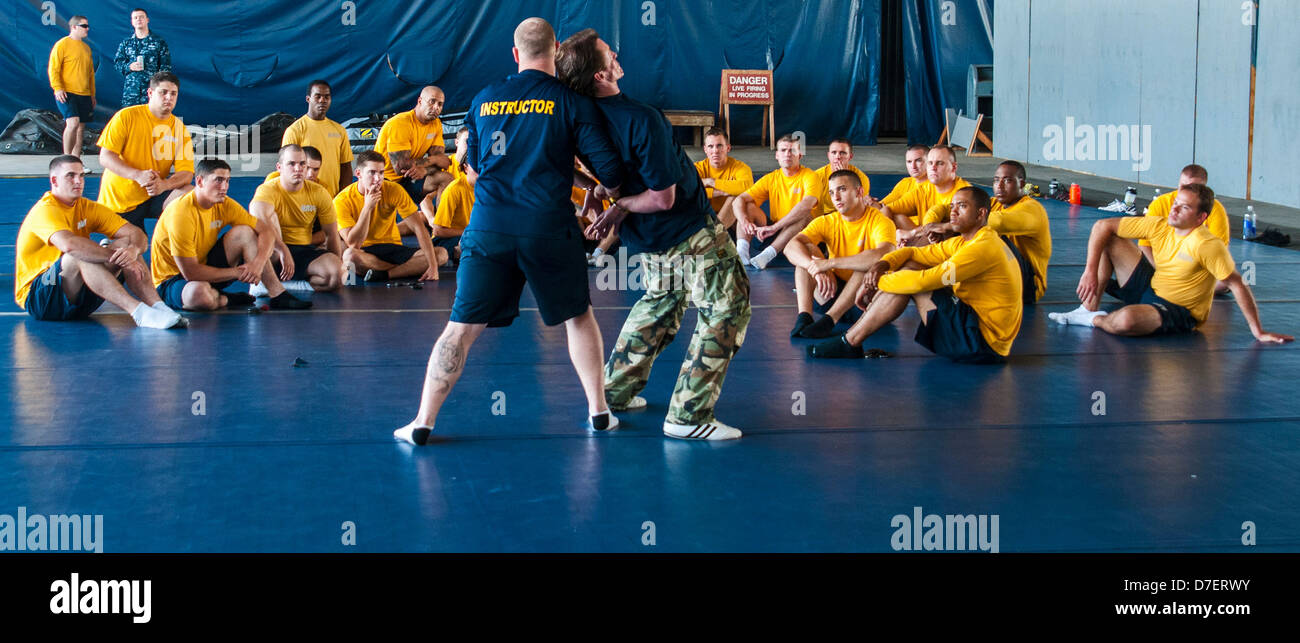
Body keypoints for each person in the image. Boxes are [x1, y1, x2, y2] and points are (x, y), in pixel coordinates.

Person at [393, 17, 625, 446]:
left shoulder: (484, 100)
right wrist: (599, 188)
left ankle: (422, 420)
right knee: (578, 318)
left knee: (459, 327)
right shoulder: (571, 103)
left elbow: (477, 171)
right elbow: (611, 174)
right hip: (548, 229)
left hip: (489, 230)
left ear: (515, 54)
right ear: (555, 51)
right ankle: (599, 411)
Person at [559, 28, 750, 440]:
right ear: (601, 75)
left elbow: (603, 174)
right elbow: (663, 199)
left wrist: (603, 197)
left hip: (647, 239)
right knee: (727, 310)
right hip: (686, 231)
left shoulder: (581, 120)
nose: (615, 55)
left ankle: (615, 390)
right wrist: (620, 205)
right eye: (609, 53)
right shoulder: (641, 118)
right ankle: (689, 415)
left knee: (661, 303)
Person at [1049, 184, 1291, 343]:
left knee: (1125, 321)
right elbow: (1102, 226)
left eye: (1184, 207)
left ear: (1200, 217)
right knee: (1109, 237)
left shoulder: (1207, 245)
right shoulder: (1160, 224)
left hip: (1179, 310)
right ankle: (1086, 308)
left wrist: (1258, 331)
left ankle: (1092, 319)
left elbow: (1237, 284)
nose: (1174, 209)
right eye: (1176, 202)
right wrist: (1090, 271)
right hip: (1151, 287)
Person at [809, 187, 1023, 363]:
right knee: (911, 265)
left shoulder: (982, 247)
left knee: (911, 278)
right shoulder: (966, 240)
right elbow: (914, 251)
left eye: (962, 206)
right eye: (952, 206)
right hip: (975, 326)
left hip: (983, 344)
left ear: (981, 214)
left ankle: (849, 342)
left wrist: (875, 282)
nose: (953, 212)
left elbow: (926, 280)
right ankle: (850, 340)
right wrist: (881, 265)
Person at [15, 155, 184, 329]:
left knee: (125, 246)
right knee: (80, 255)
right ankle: (139, 312)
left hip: (81, 299)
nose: (78, 181)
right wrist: (115, 257)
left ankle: (159, 307)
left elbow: (136, 233)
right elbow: (69, 245)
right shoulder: (45, 210)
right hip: (41, 298)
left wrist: (132, 251)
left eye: (81, 175)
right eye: (71, 176)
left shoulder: (87, 207)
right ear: (54, 180)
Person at [151, 159, 311, 311]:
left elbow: (265, 230)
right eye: (218, 180)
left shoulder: (224, 203)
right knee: (199, 295)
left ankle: (278, 294)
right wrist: (239, 272)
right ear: (200, 181)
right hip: (173, 280)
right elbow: (190, 272)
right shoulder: (181, 213)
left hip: (206, 266)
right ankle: (224, 299)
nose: (224, 186)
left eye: (227, 180)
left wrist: (258, 263)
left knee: (245, 233)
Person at [911, 161, 1051, 304]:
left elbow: (999, 222)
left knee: (974, 225)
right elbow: (941, 208)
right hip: (999, 274)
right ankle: (920, 268)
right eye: (996, 180)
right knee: (960, 215)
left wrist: (947, 226)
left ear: (1021, 184)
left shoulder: (1033, 209)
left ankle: (927, 272)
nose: (1000, 186)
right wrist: (930, 226)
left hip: (1026, 286)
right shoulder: (995, 203)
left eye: (1007, 180)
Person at [784, 170, 896, 338]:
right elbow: (789, 247)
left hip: (866, 302)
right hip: (830, 293)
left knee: (866, 265)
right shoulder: (827, 221)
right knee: (806, 251)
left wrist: (830, 263)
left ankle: (830, 320)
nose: (835, 197)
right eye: (831, 192)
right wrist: (814, 267)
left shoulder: (880, 221)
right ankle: (804, 317)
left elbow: (884, 254)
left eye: (842, 189)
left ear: (859, 192)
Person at [96, 71, 194, 230]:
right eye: (163, 92)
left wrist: (164, 184)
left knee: (190, 195)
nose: (168, 97)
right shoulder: (126, 117)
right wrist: (137, 175)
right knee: (135, 248)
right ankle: (114, 244)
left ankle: (168, 243)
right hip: (122, 201)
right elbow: (106, 157)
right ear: (150, 93)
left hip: (154, 193)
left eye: (173, 93)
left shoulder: (179, 129)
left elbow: (187, 173)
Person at [333, 151, 443, 282]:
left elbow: (419, 228)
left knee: (441, 254)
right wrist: (367, 208)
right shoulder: (341, 200)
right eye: (372, 172)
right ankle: (404, 270)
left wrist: (433, 266)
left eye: (381, 173)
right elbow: (354, 243)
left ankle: (385, 274)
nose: (378, 178)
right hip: (365, 251)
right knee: (349, 256)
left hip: (392, 247)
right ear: (358, 174)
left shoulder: (393, 189)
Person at [249, 145, 344, 293]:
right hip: (273, 252)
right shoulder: (267, 189)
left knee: (336, 276)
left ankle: (285, 287)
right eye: (291, 164)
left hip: (303, 250)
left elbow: (331, 234)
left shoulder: (319, 192)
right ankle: (266, 282)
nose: (298, 168)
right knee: (268, 219)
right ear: (279, 167)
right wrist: (283, 250)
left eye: (302, 164)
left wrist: (338, 266)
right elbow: (256, 216)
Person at [732, 134, 825, 269]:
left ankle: (767, 256)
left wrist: (773, 227)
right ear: (777, 155)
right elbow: (738, 200)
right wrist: (744, 221)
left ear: (799, 155)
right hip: (774, 233)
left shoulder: (810, 176)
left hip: (803, 236)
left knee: (805, 215)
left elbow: (807, 205)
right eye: (783, 150)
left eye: (792, 150)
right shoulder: (771, 178)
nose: (787, 154)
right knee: (747, 206)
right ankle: (742, 252)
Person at [1141, 164, 1230, 293]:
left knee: (1224, 281)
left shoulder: (1215, 209)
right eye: (1182, 186)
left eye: (1192, 188)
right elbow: (1145, 244)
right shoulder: (1160, 203)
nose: (1185, 192)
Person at [374, 86, 453, 208]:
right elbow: (401, 167)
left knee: (446, 178)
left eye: (440, 104)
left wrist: (425, 170)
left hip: (409, 178)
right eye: (432, 101)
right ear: (420, 101)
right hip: (384, 181)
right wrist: (434, 160)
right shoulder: (400, 123)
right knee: (392, 223)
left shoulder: (436, 123)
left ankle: (440, 225)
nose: (436, 107)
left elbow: (442, 164)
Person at [281, 80, 354, 196]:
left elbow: (345, 167)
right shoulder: (294, 131)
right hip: (304, 199)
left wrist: (342, 196)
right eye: (318, 96)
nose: (322, 100)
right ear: (308, 99)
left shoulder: (339, 130)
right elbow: (287, 169)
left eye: (326, 97)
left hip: (332, 199)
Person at [883, 145, 970, 236]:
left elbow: (955, 225)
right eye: (930, 163)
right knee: (897, 217)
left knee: (943, 232)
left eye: (940, 163)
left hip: (950, 245)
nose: (933, 168)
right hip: (923, 238)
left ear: (954, 167)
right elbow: (887, 208)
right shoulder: (923, 190)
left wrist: (912, 233)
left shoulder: (965, 192)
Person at [48, 15, 96, 156]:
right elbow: (53, 68)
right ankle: (66, 158)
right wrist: (58, 88)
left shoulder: (86, 49)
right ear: (74, 27)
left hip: (85, 94)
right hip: (67, 92)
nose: (87, 29)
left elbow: (90, 74)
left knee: (80, 128)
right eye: (84, 26)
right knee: (73, 123)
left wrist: (92, 94)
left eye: (87, 26)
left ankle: (76, 161)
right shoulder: (62, 45)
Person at [693, 127, 753, 227]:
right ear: (705, 149)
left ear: (728, 148)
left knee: (737, 196)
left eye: (719, 146)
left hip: (731, 215)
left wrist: (711, 182)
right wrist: (722, 191)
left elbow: (747, 187)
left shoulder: (741, 167)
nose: (715, 150)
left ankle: (717, 234)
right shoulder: (698, 168)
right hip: (703, 214)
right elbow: (690, 190)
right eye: (710, 146)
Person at [112, 8, 172, 108]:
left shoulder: (158, 42)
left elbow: (165, 67)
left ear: (147, 20)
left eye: (141, 17)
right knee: (130, 121)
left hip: (151, 92)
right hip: (131, 92)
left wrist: (158, 86)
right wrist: (130, 66)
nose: (138, 19)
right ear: (132, 22)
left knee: (150, 120)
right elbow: (118, 63)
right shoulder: (126, 43)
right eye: (135, 18)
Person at [813, 138, 870, 215]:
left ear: (850, 156)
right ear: (828, 156)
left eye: (842, 153)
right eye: (834, 152)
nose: (838, 157)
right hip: (825, 216)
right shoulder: (817, 176)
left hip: (850, 214)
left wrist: (844, 177)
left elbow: (859, 207)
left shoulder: (861, 178)